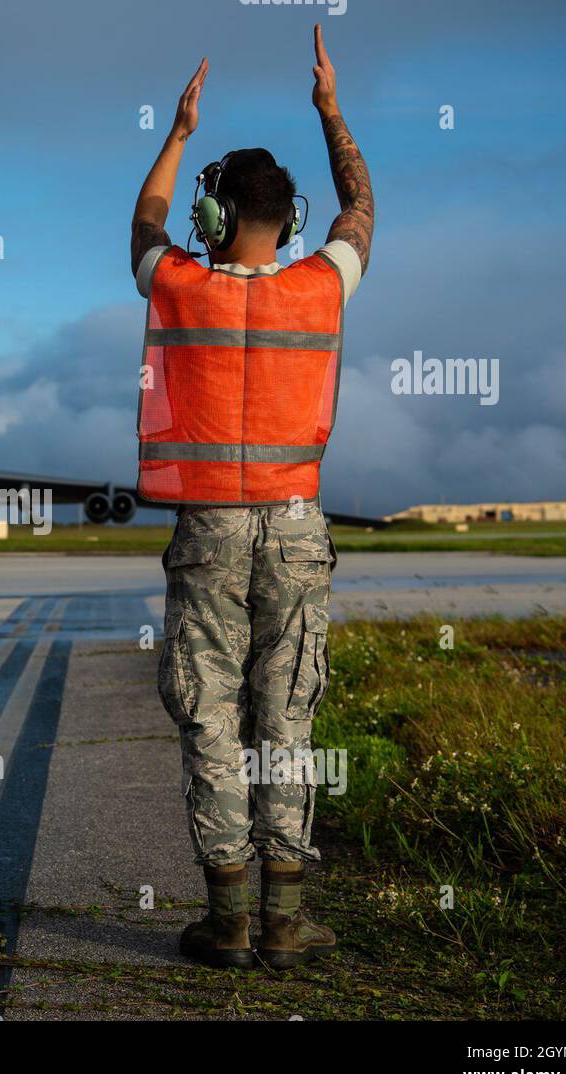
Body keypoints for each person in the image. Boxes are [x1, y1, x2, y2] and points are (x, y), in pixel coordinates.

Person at [130, 25, 373, 970]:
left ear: (216, 211)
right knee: (288, 717)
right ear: (285, 216)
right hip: (297, 528)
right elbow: (362, 206)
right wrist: (331, 110)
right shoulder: (321, 287)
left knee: (210, 714)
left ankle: (225, 920)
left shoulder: (180, 285)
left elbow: (144, 228)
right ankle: (286, 921)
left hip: (209, 532)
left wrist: (181, 131)